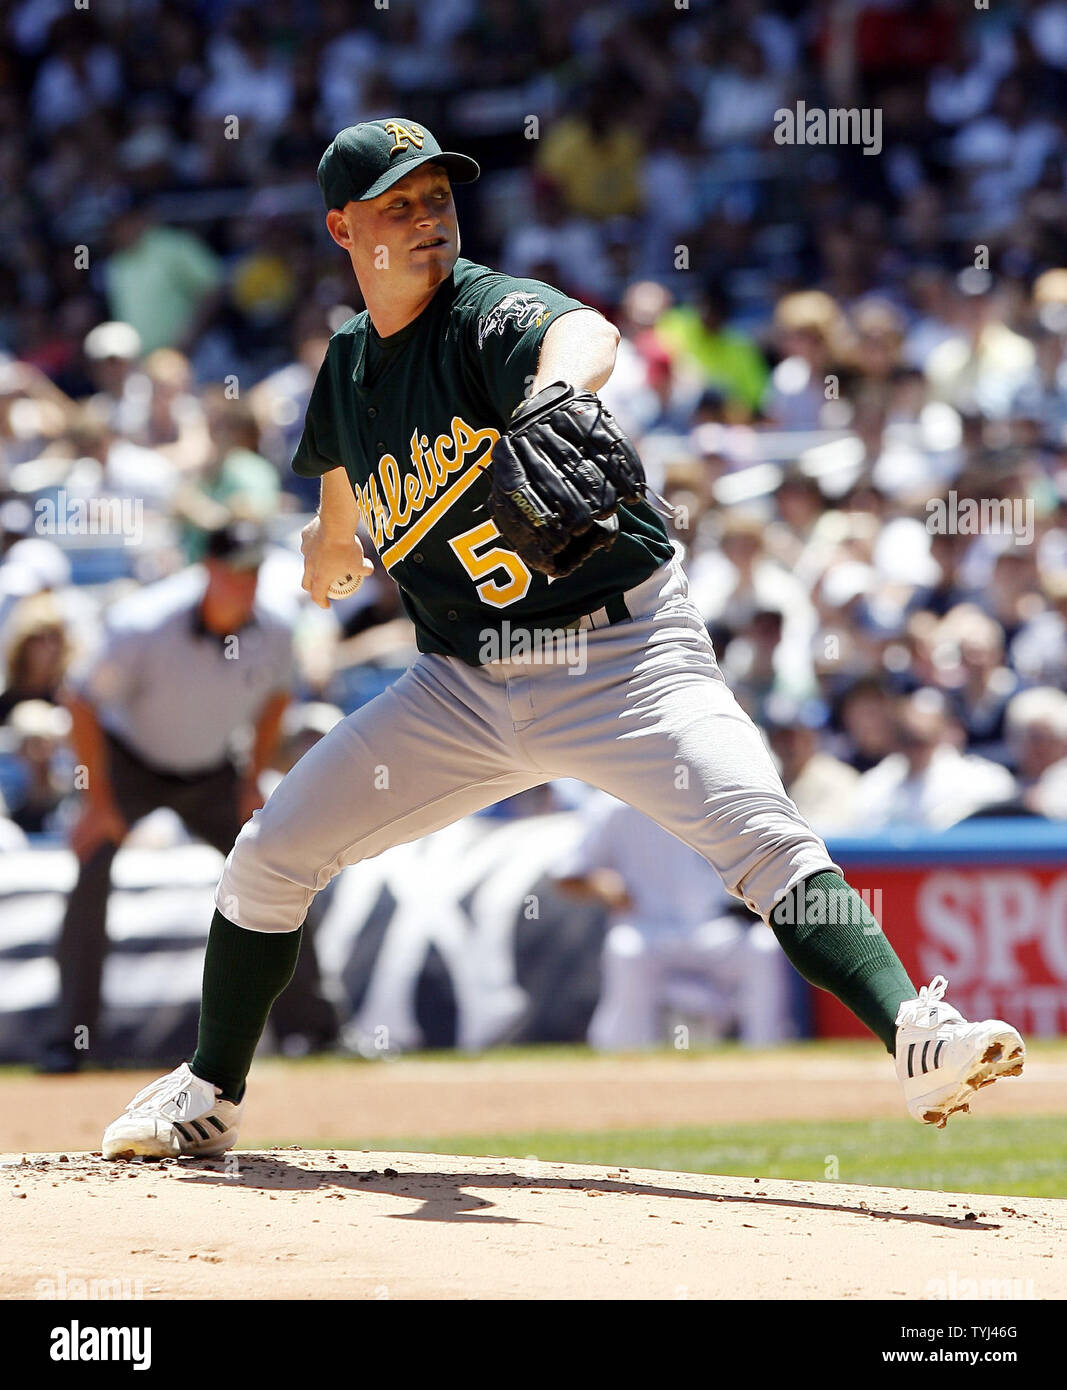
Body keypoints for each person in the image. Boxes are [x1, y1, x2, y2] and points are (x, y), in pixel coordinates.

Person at [101, 118, 1025, 1160]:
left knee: (764, 838)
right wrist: (328, 551)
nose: (427, 219)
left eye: (438, 198)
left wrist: (550, 393)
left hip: (625, 661)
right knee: (269, 858)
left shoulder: (482, 314)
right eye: (398, 205)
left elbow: (584, 334)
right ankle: (208, 1091)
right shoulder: (349, 368)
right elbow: (337, 482)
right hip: (459, 690)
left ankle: (917, 1035)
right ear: (342, 228)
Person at [41, 521, 333, 1072]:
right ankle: (70, 1042)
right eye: (236, 572)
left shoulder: (273, 625)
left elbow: (276, 697)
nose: (246, 584)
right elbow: (80, 702)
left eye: (254, 573)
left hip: (211, 770)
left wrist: (251, 777)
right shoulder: (143, 622)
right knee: (89, 870)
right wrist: (97, 803)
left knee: (279, 864)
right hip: (130, 762)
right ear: (209, 570)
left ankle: (314, 1029)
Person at [556, 796, 793, 1048]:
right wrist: (603, 885)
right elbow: (566, 874)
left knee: (763, 946)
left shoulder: (718, 795)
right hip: (649, 931)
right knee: (625, 948)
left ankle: (767, 1051)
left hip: (715, 931)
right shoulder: (614, 801)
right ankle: (623, 1057)